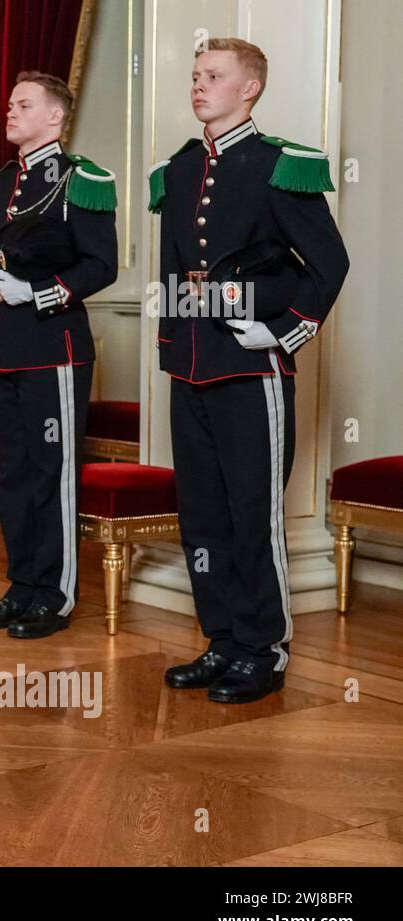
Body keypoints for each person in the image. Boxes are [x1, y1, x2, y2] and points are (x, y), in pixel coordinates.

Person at [153, 38, 349, 704]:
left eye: (214, 77)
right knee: (202, 515)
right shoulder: (180, 171)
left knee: (251, 513)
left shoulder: (278, 166)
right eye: (196, 75)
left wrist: (283, 331)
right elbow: (173, 272)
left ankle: (263, 648)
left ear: (250, 89)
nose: (199, 86)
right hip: (194, 366)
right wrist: (173, 345)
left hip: (252, 367)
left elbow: (329, 264)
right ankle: (223, 640)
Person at [0, 71, 118, 640]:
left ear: (55, 117)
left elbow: (102, 265)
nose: (11, 112)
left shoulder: (82, 180)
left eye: (23, 105)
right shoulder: (3, 181)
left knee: (52, 475)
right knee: (14, 475)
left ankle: (55, 596)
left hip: (54, 349)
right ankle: (22, 586)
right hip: (6, 350)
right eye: (9, 104)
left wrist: (42, 293)